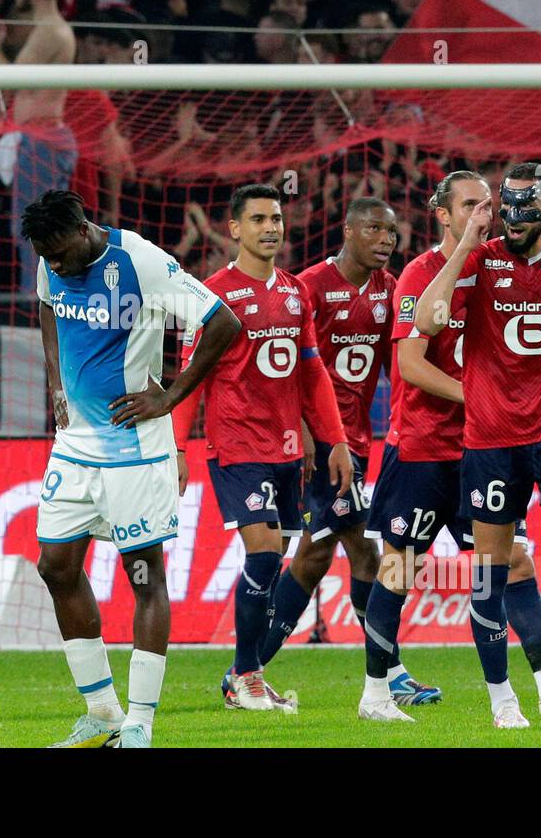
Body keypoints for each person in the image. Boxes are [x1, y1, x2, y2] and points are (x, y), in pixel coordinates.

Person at [360, 172, 541, 722]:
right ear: (444, 214)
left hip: (490, 443)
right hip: (426, 446)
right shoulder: (424, 273)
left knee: (512, 565)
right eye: (471, 204)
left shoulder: (516, 263)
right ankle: (376, 693)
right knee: (400, 569)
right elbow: (408, 361)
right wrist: (479, 398)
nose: (487, 213)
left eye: (489, 204)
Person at [25, 190, 239, 749]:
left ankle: (140, 723)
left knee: (144, 576)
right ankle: (101, 712)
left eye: (59, 254)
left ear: (82, 229)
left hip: (134, 447)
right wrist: (55, 381)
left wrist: (169, 398)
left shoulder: (140, 261)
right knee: (55, 567)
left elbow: (223, 323)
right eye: (45, 256)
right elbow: (47, 305)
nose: (54, 266)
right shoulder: (52, 260)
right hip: (74, 443)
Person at [171, 183, 354, 712]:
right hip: (236, 445)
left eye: (276, 218)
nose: (270, 227)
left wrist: (335, 439)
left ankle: (241, 675)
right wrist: (178, 448)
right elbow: (191, 377)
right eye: (257, 219)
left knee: (273, 564)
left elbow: (313, 372)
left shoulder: (297, 292)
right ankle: (247, 675)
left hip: (289, 451)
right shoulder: (212, 295)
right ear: (234, 228)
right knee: (265, 550)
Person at [255, 196, 441, 705]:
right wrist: (307, 432)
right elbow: (284, 365)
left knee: (320, 556)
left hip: (355, 443)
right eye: (376, 230)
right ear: (349, 231)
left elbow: (397, 366)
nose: (386, 240)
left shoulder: (391, 290)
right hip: (315, 445)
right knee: (360, 549)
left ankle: (245, 670)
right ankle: (391, 673)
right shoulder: (309, 288)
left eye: (392, 232)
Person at [0, 0, 78, 292]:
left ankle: (39, 305)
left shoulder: (50, 30)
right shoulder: (52, 29)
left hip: (42, 141)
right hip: (41, 138)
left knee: (35, 231)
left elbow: (9, 79)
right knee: (37, 229)